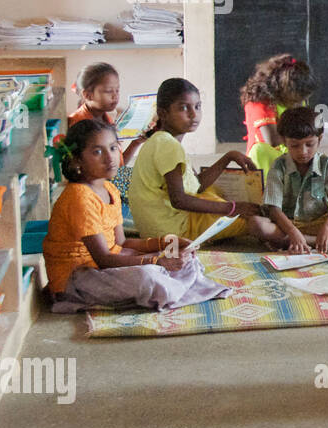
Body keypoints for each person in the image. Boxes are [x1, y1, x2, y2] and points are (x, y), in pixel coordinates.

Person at [43, 119, 226, 313]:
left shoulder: (109, 188)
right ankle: (169, 288)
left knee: (185, 260)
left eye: (113, 148)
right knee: (147, 278)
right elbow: (104, 259)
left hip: (107, 265)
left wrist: (165, 244)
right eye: (97, 152)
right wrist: (155, 261)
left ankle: (170, 287)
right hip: (77, 278)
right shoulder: (79, 197)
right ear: (77, 160)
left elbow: (122, 243)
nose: (110, 158)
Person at [129, 78, 261, 243]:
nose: (194, 114)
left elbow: (196, 186)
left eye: (197, 106)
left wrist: (229, 157)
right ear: (163, 113)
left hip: (159, 228)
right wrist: (232, 208)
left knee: (212, 192)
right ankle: (295, 241)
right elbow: (179, 199)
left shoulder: (161, 141)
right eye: (184, 108)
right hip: (173, 232)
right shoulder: (167, 145)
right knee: (254, 221)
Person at [250, 107, 328, 251]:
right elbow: (274, 209)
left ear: (320, 139)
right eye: (295, 145)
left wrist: (327, 227)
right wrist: (292, 232)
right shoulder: (278, 166)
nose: (303, 152)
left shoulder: (325, 163)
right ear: (285, 141)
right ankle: (317, 241)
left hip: (319, 223)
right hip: (286, 225)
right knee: (256, 224)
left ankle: (301, 241)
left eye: (309, 144)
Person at [238, 53, 318, 174]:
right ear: (284, 87)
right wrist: (307, 140)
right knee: (262, 151)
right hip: (268, 158)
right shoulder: (259, 102)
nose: (302, 101)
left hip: (295, 150)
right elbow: (272, 140)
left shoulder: (294, 99)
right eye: (300, 96)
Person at [67, 63, 148, 165]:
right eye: (109, 91)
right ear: (88, 95)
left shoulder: (105, 119)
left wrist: (135, 143)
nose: (115, 96)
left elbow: (118, 166)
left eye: (117, 90)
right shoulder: (79, 125)